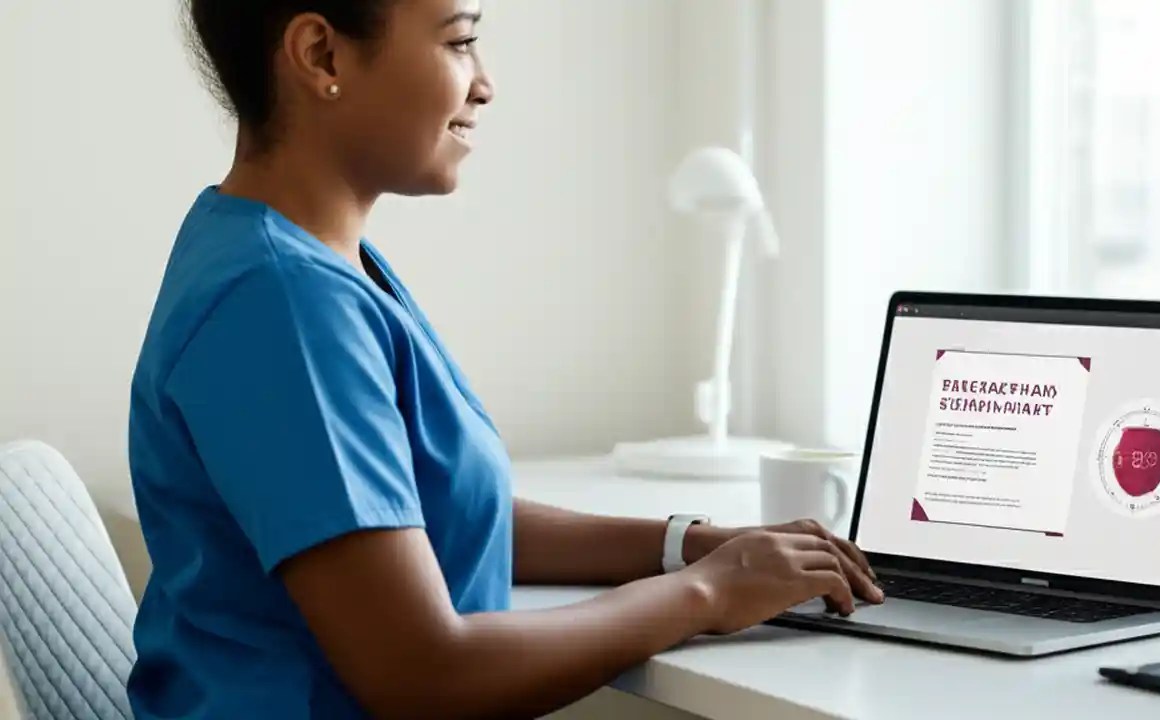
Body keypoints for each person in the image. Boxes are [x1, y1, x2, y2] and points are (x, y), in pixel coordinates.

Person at [126, 1, 883, 717]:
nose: (484, 84)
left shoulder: (294, 258)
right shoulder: (283, 301)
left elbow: (428, 514)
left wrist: (685, 546)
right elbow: (423, 675)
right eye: (459, 40)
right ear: (322, 54)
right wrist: (707, 594)